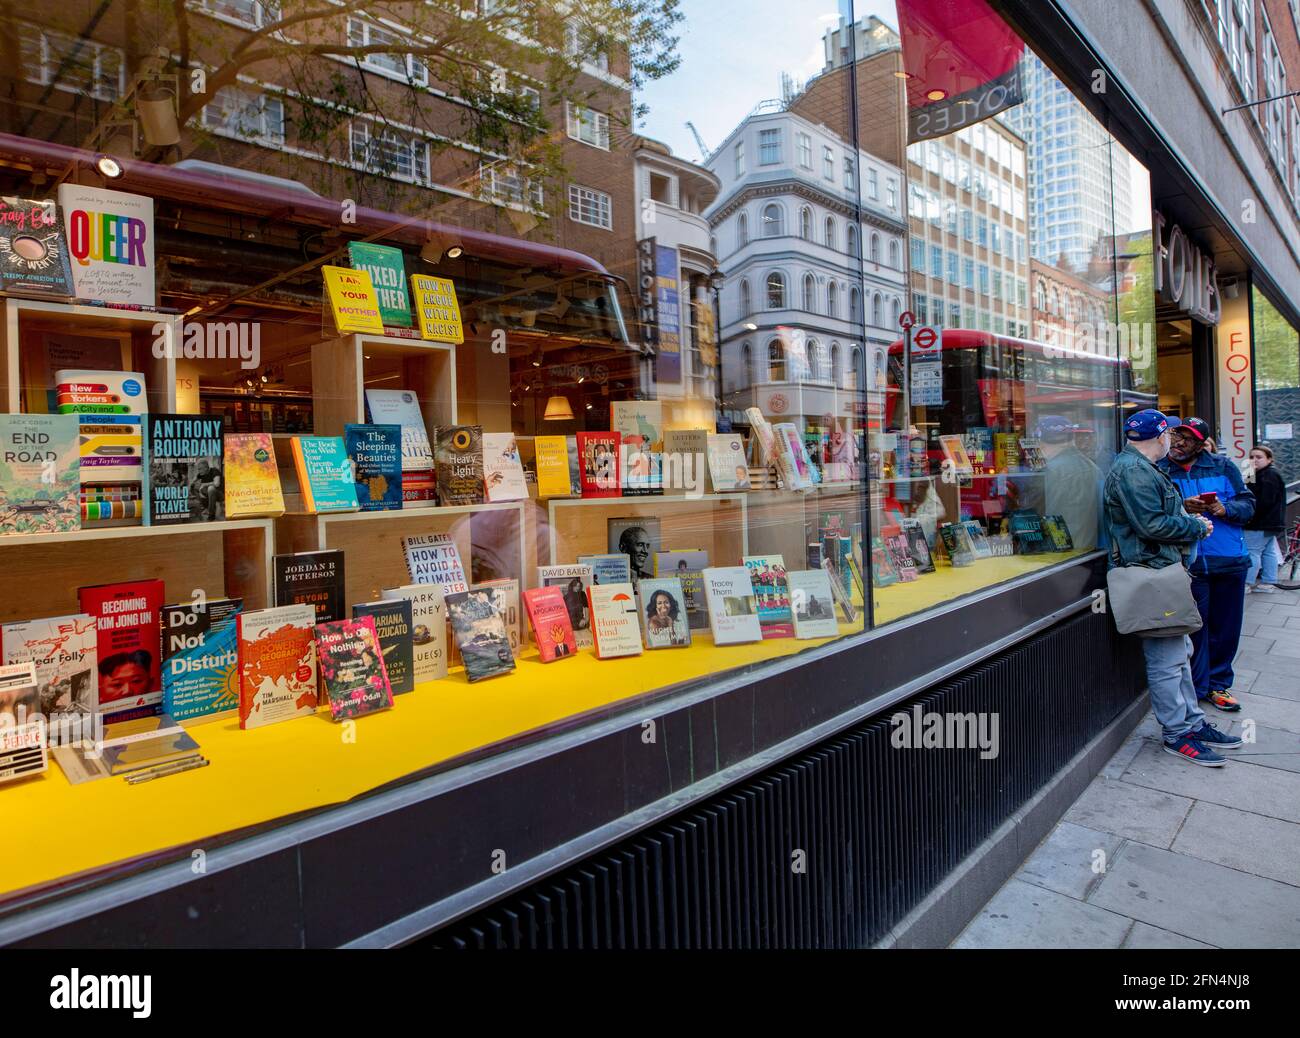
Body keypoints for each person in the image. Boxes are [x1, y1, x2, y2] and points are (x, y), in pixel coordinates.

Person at [1103, 409, 1240, 765]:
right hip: (1150, 574)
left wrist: (1185, 515)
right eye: (1170, 435)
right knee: (1167, 659)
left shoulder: (1141, 468)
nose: (1173, 443)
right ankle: (1178, 733)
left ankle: (1191, 724)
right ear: (1159, 436)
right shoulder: (1134, 470)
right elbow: (1151, 525)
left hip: (1161, 572)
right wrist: (1196, 527)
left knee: (1179, 654)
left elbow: (1156, 517)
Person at [1158, 417, 1255, 713]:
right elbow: (1155, 511)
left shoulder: (1223, 466)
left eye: (1187, 439)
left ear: (1201, 444)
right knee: (1193, 629)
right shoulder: (1161, 469)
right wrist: (1182, 506)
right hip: (1189, 562)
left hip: (1228, 559)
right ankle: (1197, 687)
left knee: (1226, 628)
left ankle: (1218, 685)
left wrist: (1224, 509)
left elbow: (1248, 505)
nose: (1178, 443)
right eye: (1176, 435)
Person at [1245, 444, 1286, 593]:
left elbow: (1263, 502)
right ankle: (1269, 582)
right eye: (1251, 457)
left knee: (1252, 552)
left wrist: (1248, 517)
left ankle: (1247, 583)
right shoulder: (1261, 473)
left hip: (1259, 523)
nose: (1254, 460)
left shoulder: (1268, 476)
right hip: (1269, 523)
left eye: (1259, 457)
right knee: (1268, 552)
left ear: (1269, 459)